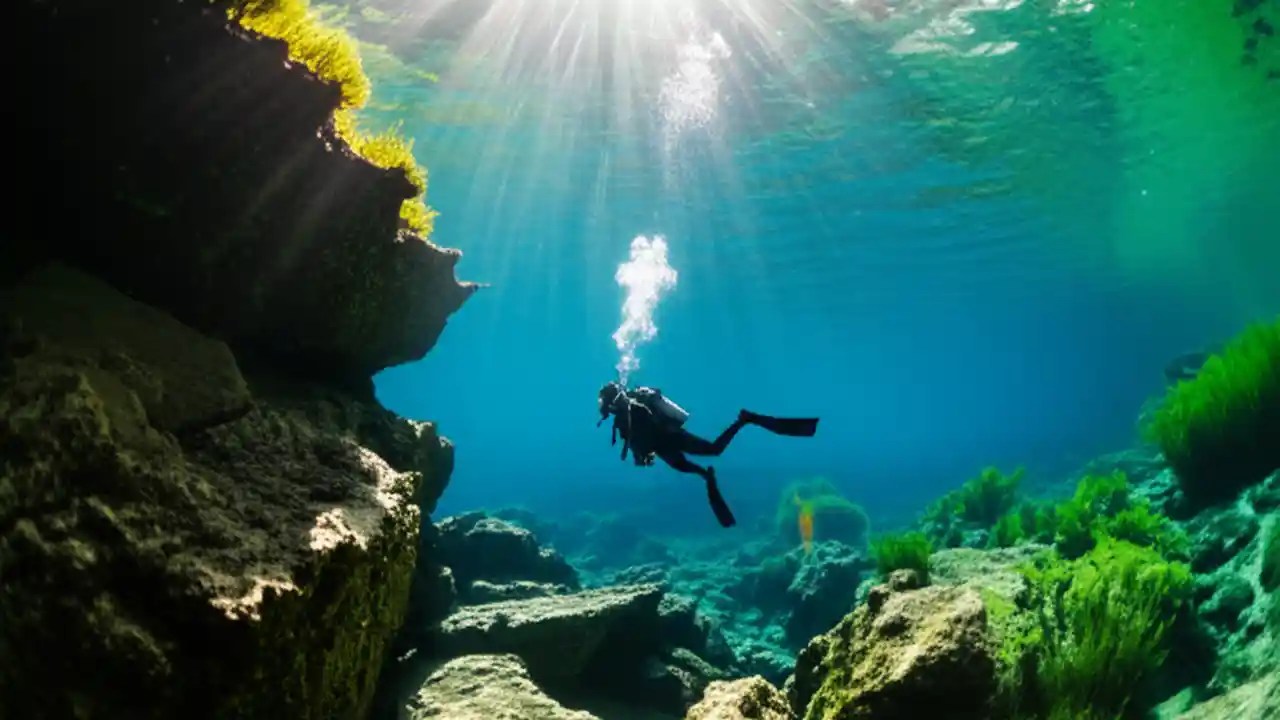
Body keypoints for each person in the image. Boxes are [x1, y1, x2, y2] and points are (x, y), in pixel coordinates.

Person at [597, 381, 819, 528]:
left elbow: (640, 436)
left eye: (606, 402)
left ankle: (745, 420)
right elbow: (636, 441)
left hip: (672, 440)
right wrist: (642, 454)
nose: (605, 407)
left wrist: (642, 455)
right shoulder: (623, 416)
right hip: (665, 447)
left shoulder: (632, 410)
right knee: (692, 467)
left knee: (714, 450)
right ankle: (708, 476)